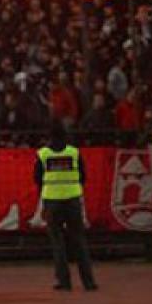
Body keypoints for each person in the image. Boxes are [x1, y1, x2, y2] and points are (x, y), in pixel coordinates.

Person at [35, 123, 98, 292]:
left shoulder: (43, 154)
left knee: (57, 242)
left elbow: (37, 179)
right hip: (72, 200)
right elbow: (83, 176)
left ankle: (64, 281)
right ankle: (89, 282)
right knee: (79, 241)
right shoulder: (74, 152)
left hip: (52, 201)